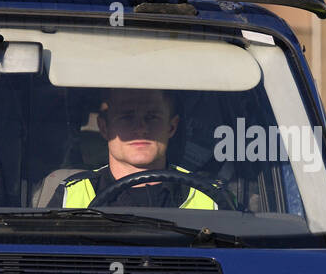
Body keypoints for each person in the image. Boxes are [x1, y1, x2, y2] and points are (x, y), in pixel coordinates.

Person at [45, 87, 217, 209]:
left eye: (152, 117)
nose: (141, 128)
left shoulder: (211, 196)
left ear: (171, 127)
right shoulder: (69, 197)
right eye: (127, 117)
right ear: (104, 127)